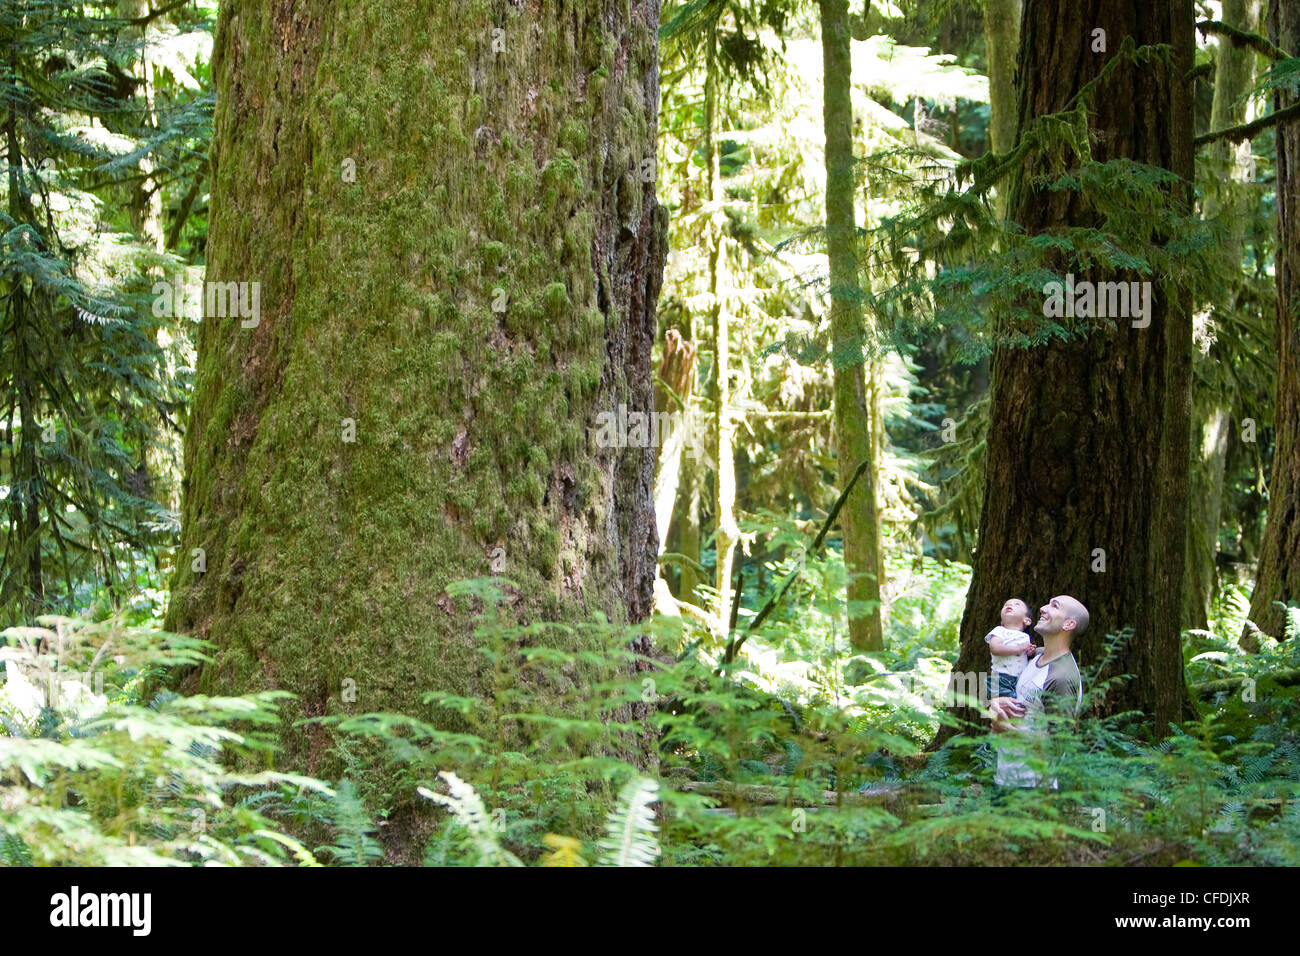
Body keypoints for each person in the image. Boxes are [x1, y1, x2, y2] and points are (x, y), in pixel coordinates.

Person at [988, 595, 1088, 788]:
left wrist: (1007, 731)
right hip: (1006, 778)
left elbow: (1058, 745)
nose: (1043, 608)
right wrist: (996, 703)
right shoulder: (1035, 657)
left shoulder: (1061, 677)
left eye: (1054, 606)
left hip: (1035, 788)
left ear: (1069, 624)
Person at [984, 597, 1035, 702]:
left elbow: (1023, 655)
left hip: (1020, 679)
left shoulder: (1025, 637)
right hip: (1001, 678)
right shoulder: (999, 631)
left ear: (1027, 620)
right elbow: (995, 648)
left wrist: (1029, 652)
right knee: (1004, 707)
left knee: (1017, 708)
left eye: (1016, 604)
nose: (1009, 605)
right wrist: (1019, 649)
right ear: (1002, 621)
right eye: (1006, 604)